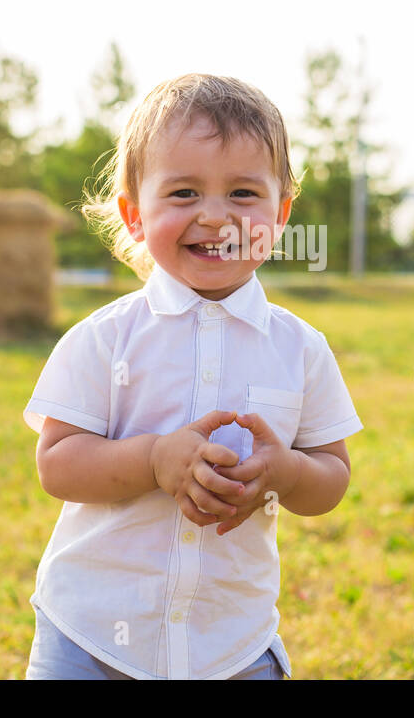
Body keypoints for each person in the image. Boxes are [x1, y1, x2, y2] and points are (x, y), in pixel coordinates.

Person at [22, 73, 364, 679]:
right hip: (93, 637)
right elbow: (58, 463)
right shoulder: (105, 339)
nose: (214, 216)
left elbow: (331, 474)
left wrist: (285, 472)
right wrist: (153, 459)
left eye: (242, 194)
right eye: (183, 193)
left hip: (228, 645)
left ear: (281, 214)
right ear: (134, 215)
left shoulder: (300, 348)